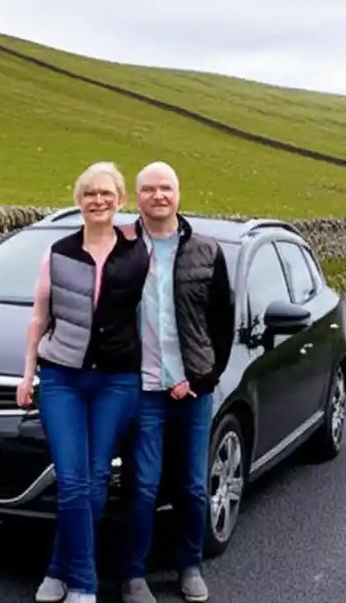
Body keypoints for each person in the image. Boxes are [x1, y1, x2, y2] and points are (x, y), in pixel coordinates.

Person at [17, 161, 150, 603]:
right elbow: (39, 316)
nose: (98, 201)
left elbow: (156, 311)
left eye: (106, 194)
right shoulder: (58, 252)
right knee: (72, 480)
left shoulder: (137, 252)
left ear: (120, 200)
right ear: (79, 200)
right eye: (90, 194)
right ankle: (84, 584)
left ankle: (58, 569)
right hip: (62, 379)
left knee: (94, 481)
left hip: (116, 381)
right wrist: (27, 374)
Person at [119, 161, 234, 603]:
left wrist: (205, 377)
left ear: (179, 194)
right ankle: (133, 575)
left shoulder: (207, 250)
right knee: (142, 486)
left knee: (191, 484)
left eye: (166, 188)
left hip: (192, 391)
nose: (158, 196)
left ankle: (189, 566)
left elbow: (222, 319)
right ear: (138, 196)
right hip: (142, 389)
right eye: (149, 189)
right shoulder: (122, 247)